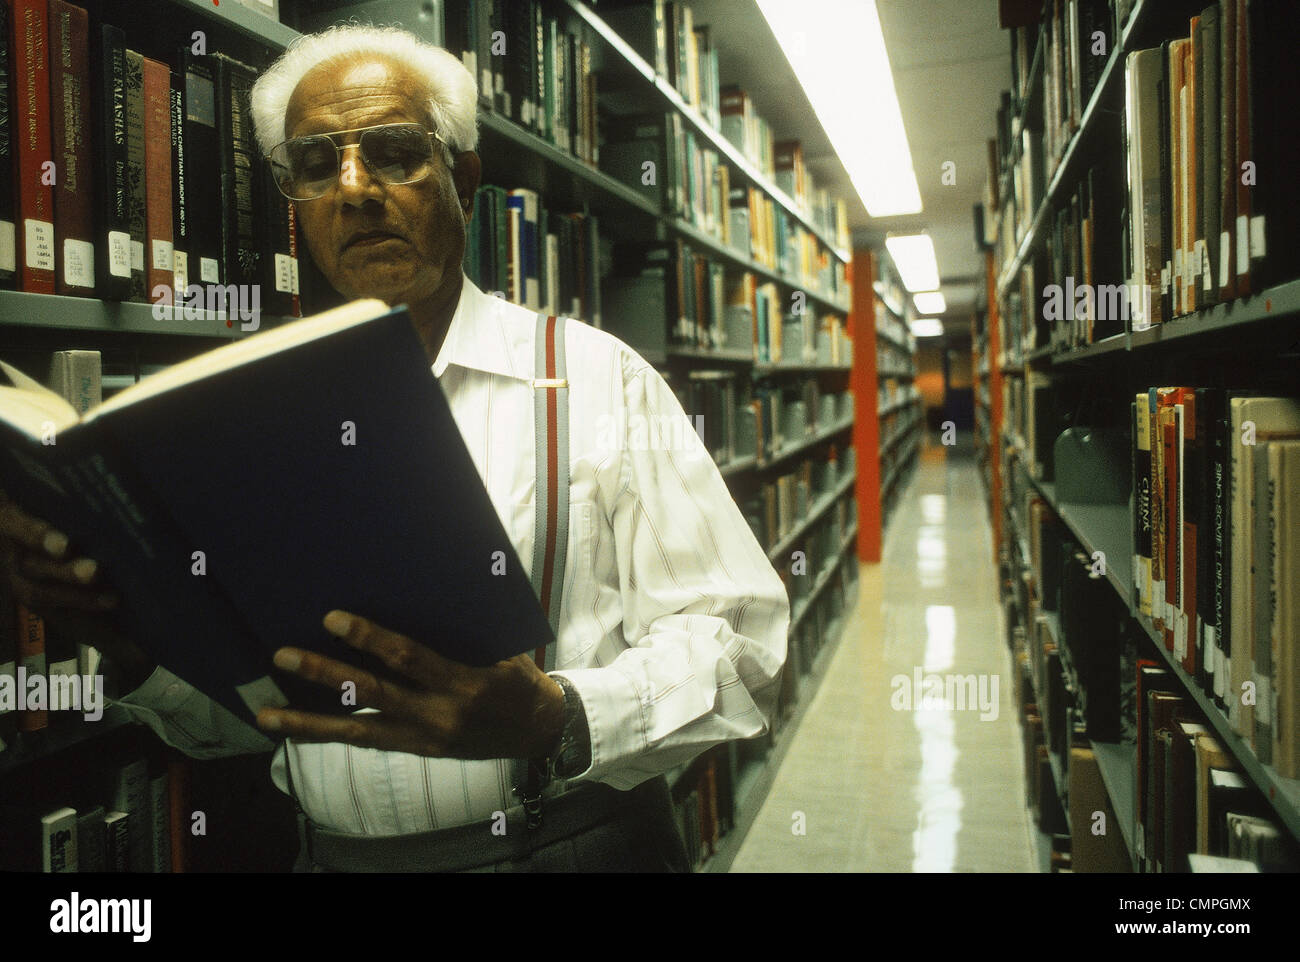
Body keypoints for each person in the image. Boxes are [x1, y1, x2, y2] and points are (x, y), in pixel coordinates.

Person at [0, 24, 788, 872]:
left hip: (564, 850)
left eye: (395, 152)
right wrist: (119, 638)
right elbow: (253, 721)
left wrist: (558, 718)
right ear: (293, 203)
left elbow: (745, 652)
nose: (355, 189)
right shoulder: (242, 425)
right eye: (314, 165)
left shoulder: (597, 379)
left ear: (465, 178)